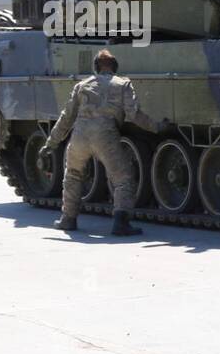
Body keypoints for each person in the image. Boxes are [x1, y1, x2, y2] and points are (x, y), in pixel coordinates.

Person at [41, 49, 169, 236]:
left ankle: (68, 219)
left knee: (73, 175)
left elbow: (66, 117)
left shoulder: (82, 85)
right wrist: (157, 127)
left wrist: (50, 143)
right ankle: (121, 222)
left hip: (79, 136)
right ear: (115, 67)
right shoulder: (123, 84)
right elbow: (134, 114)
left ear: (96, 67)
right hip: (105, 135)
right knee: (123, 178)